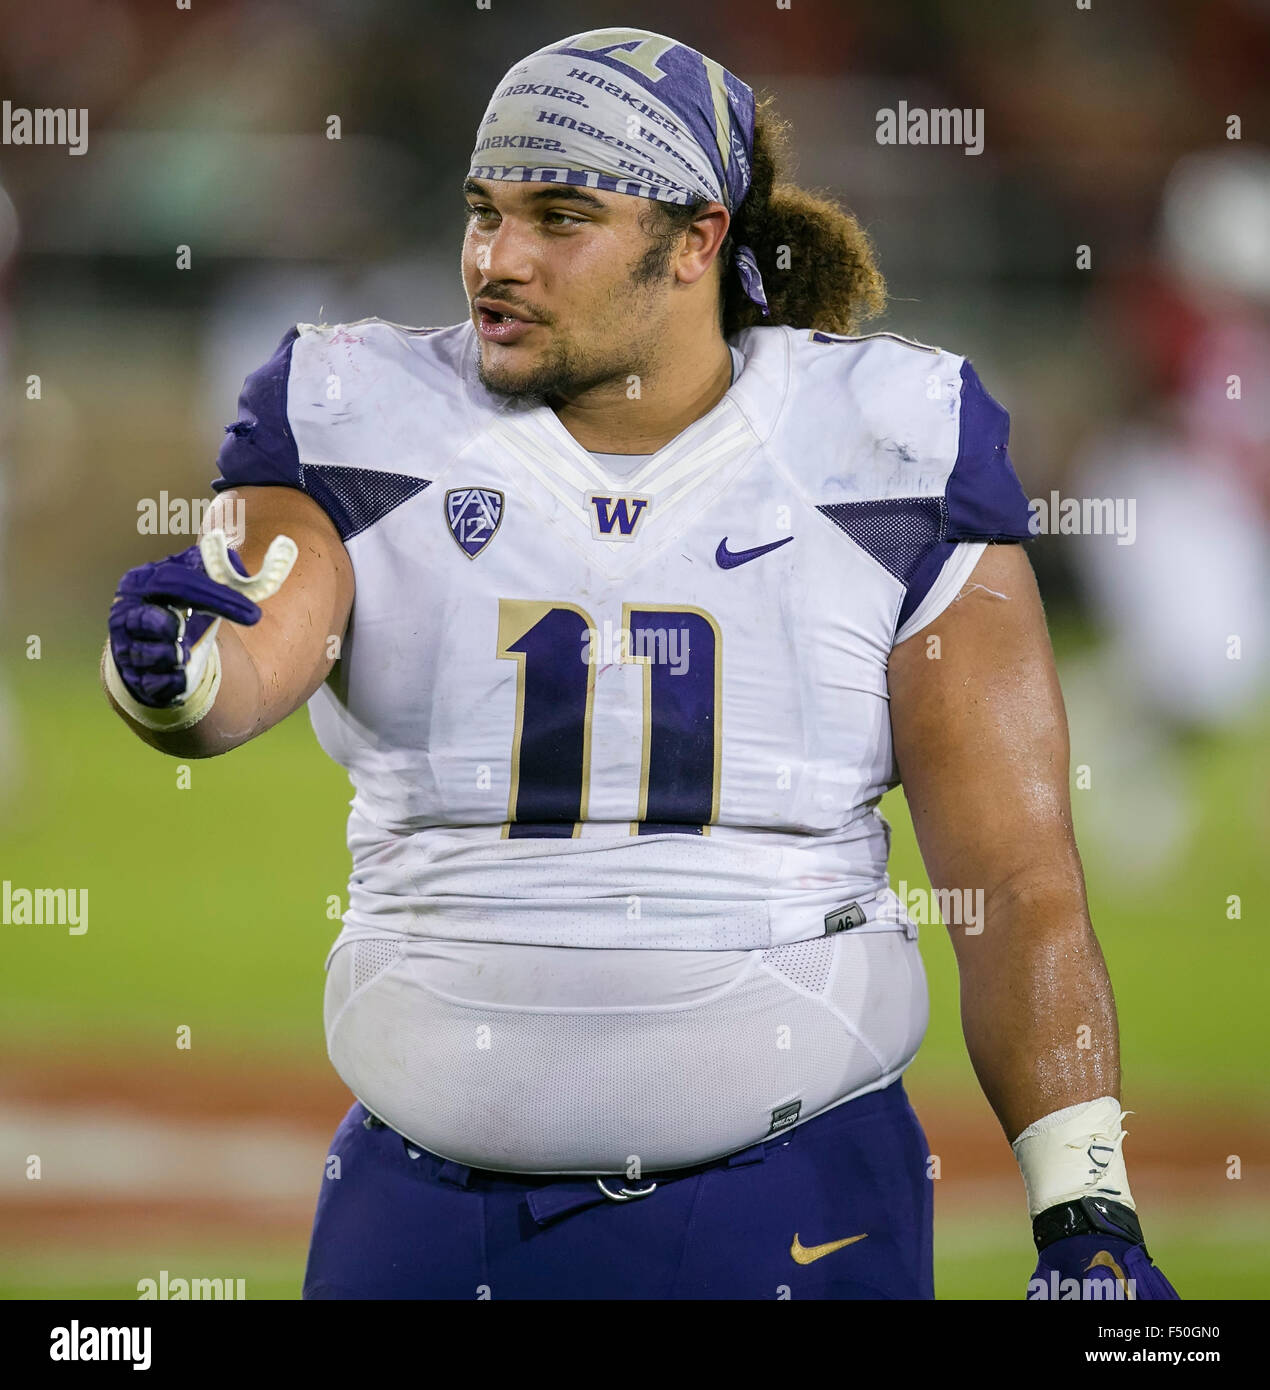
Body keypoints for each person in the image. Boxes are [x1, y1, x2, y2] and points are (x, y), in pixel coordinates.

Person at [102, 27, 1177, 1300]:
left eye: (561, 217)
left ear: (696, 239)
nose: (496, 261)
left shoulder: (882, 443)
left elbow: (1009, 868)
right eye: (483, 213)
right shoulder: (360, 410)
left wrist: (1082, 1207)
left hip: (788, 1200)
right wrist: (173, 672)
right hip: (419, 1207)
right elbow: (248, 650)